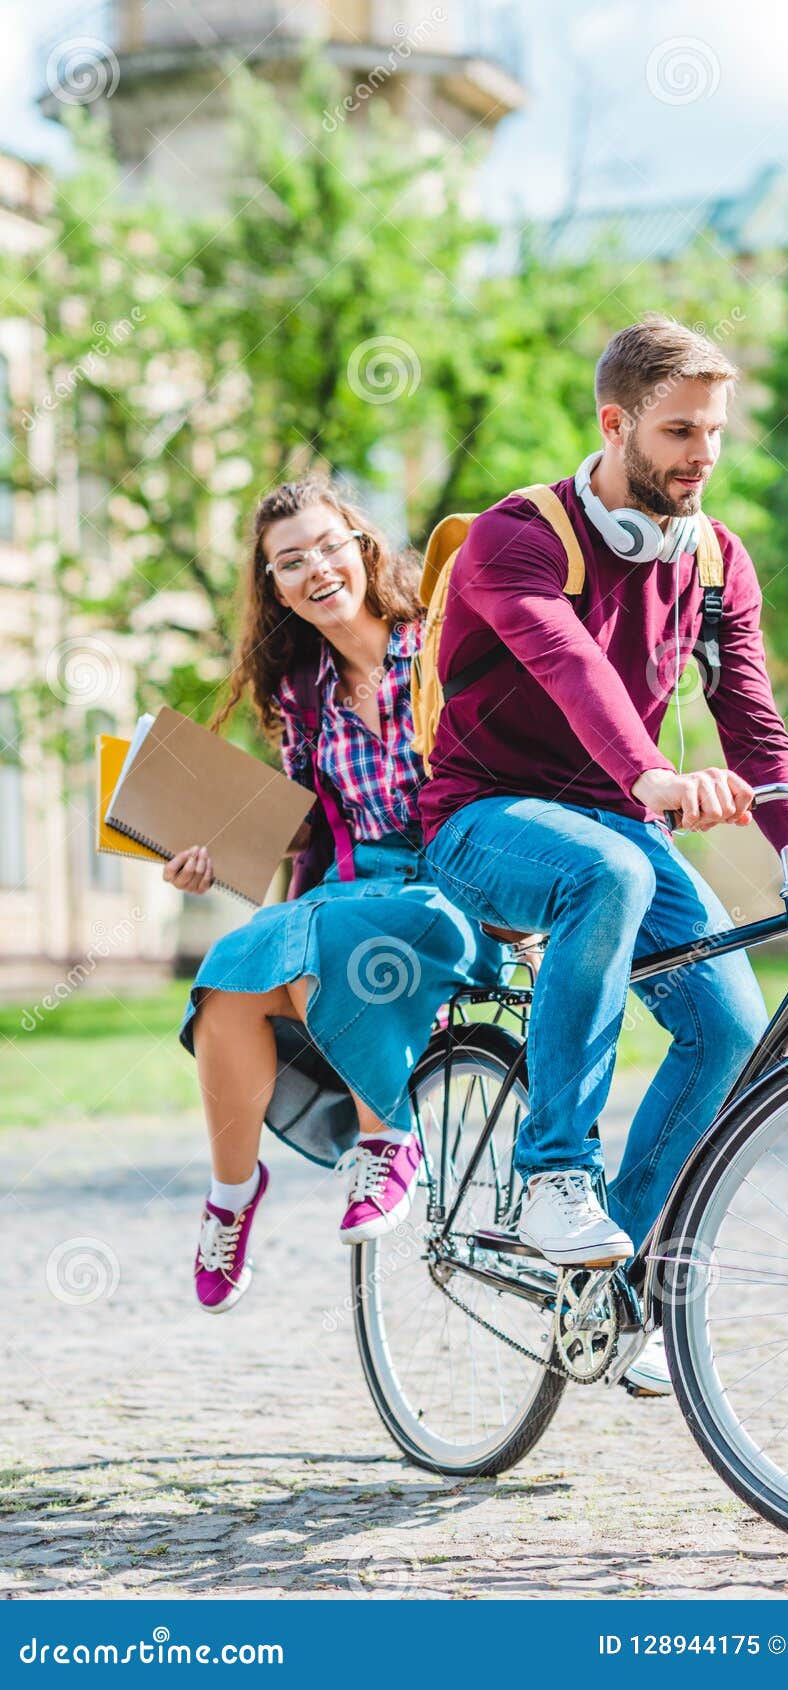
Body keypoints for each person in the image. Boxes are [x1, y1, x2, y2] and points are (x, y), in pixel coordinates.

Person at [421, 315, 788, 1393]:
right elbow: (572, 666)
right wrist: (649, 773)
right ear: (615, 423)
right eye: (680, 431)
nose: (703, 455)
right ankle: (553, 1173)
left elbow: (754, 722)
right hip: (483, 819)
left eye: (716, 431)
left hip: (623, 823)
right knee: (612, 869)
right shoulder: (517, 537)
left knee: (730, 1027)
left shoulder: (716, 561)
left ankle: (617, 1287)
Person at [169, 477, 503, 1313]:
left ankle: (387, 1142)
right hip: (353, 893)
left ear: (363, 547)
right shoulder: (303, 690)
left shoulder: (440, 644)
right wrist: (213, 854)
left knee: (330, 940)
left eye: (328, 547)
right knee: (228, 973)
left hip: (456, 885)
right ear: (276, 589)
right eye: (291, 562)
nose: (315, 568)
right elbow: (311, 825)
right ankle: (231, 1198)